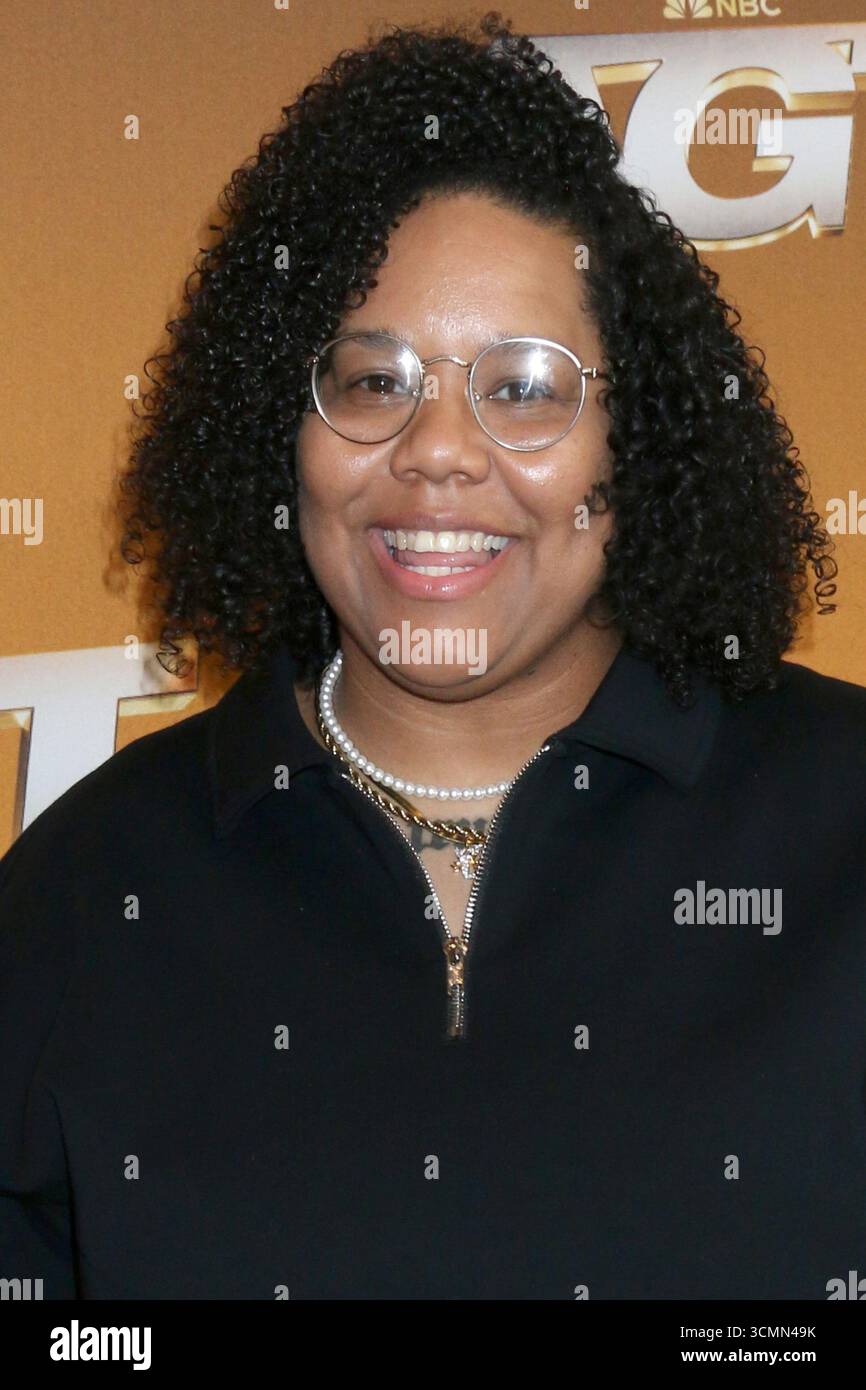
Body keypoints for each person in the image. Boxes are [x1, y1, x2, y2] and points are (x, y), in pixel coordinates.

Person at [1, 14, 864, 1301]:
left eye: (523, 386)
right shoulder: (82, 895)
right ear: (279, 435)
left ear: (635, 444)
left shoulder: (842, 820)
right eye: (370, 380)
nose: (437, 449)